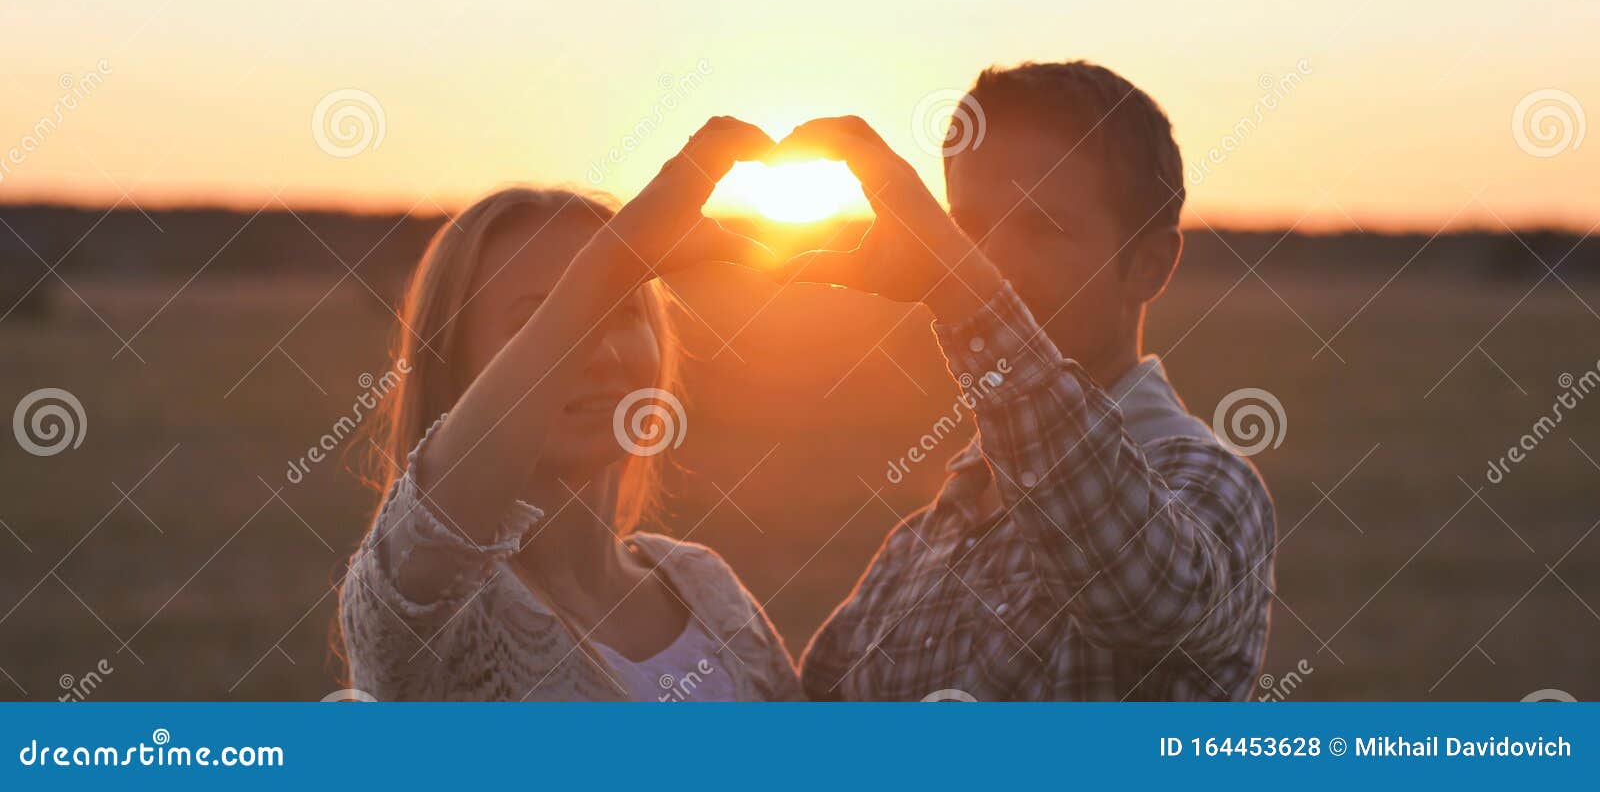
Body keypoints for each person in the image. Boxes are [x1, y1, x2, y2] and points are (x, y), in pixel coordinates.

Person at [780, 62, 1277, 700]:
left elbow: (1141, 600)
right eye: (966, 228)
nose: (987, 261)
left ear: (1148, 266)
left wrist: (970, 302)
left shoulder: (1209, 485)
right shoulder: (923, 540)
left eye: (1042, 226)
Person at [339, 119, 801, 701]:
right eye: (547, 323)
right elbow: (433, 540)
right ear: (460, 373)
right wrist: (609, 259)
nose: (602, 353)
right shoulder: (427, 616)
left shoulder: (705, 586)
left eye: (623, 310)